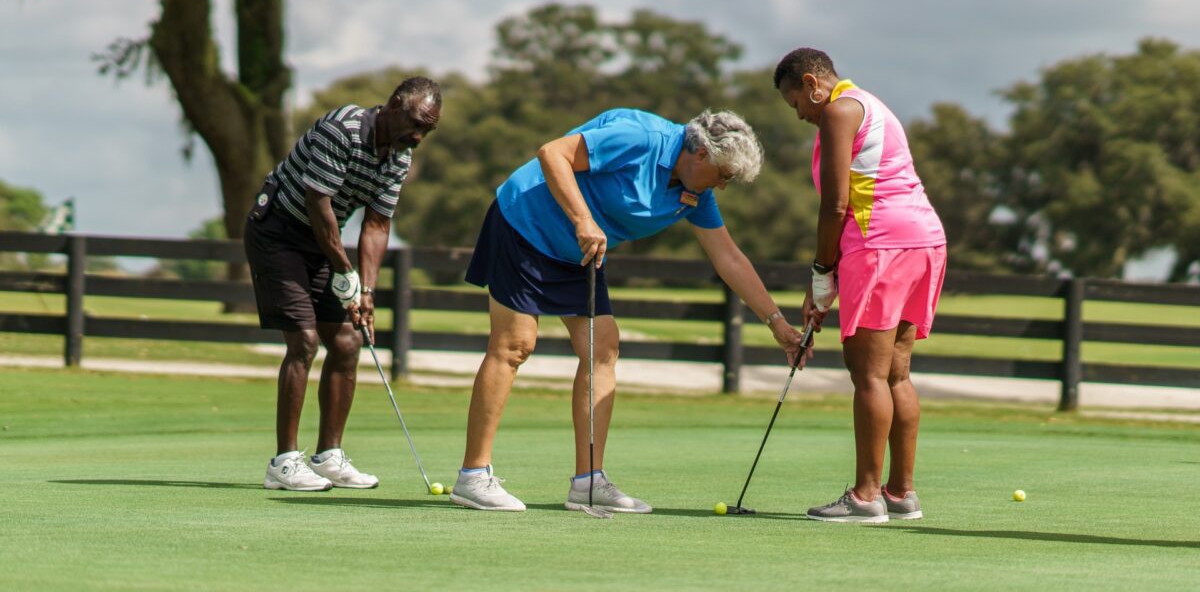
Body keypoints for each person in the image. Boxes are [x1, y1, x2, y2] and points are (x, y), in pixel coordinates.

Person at [450, 107, 809, 513]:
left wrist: (776, 323)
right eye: (724, 176)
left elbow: (728, 258)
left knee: (603, 347)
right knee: (515, 344)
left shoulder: (695, 194)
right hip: (525, 223)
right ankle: (473, 476)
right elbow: (553, 153)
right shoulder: (639, 138)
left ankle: (588, 481)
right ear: (702, 154)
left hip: (579, 252)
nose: (723, 187)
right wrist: (583, 219)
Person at [773, 48, 947, 523]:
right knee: (896, 373)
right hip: (924, 242)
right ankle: (900, 493)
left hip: (881, 244)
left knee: (868, 372)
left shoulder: (838, 111)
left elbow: (835, 205)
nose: (803, 116)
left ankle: (866, 497)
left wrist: (820, 274)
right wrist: (824, 279)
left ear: (812, 83)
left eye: (797, 104)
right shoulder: (872, 103)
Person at [244, 76, 442, 491]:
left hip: (321, 242)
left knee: (349, 341)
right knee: (303, 341)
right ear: (393, 105)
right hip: (279, 233)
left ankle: (329, 456)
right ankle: (283, 463)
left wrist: (366, 291)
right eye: (416, 123)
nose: (419, 135)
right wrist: (344, 270)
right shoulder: (343, 129)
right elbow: (319, 204)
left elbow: (377, 224)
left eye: (428, 129)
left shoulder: (399, 158)